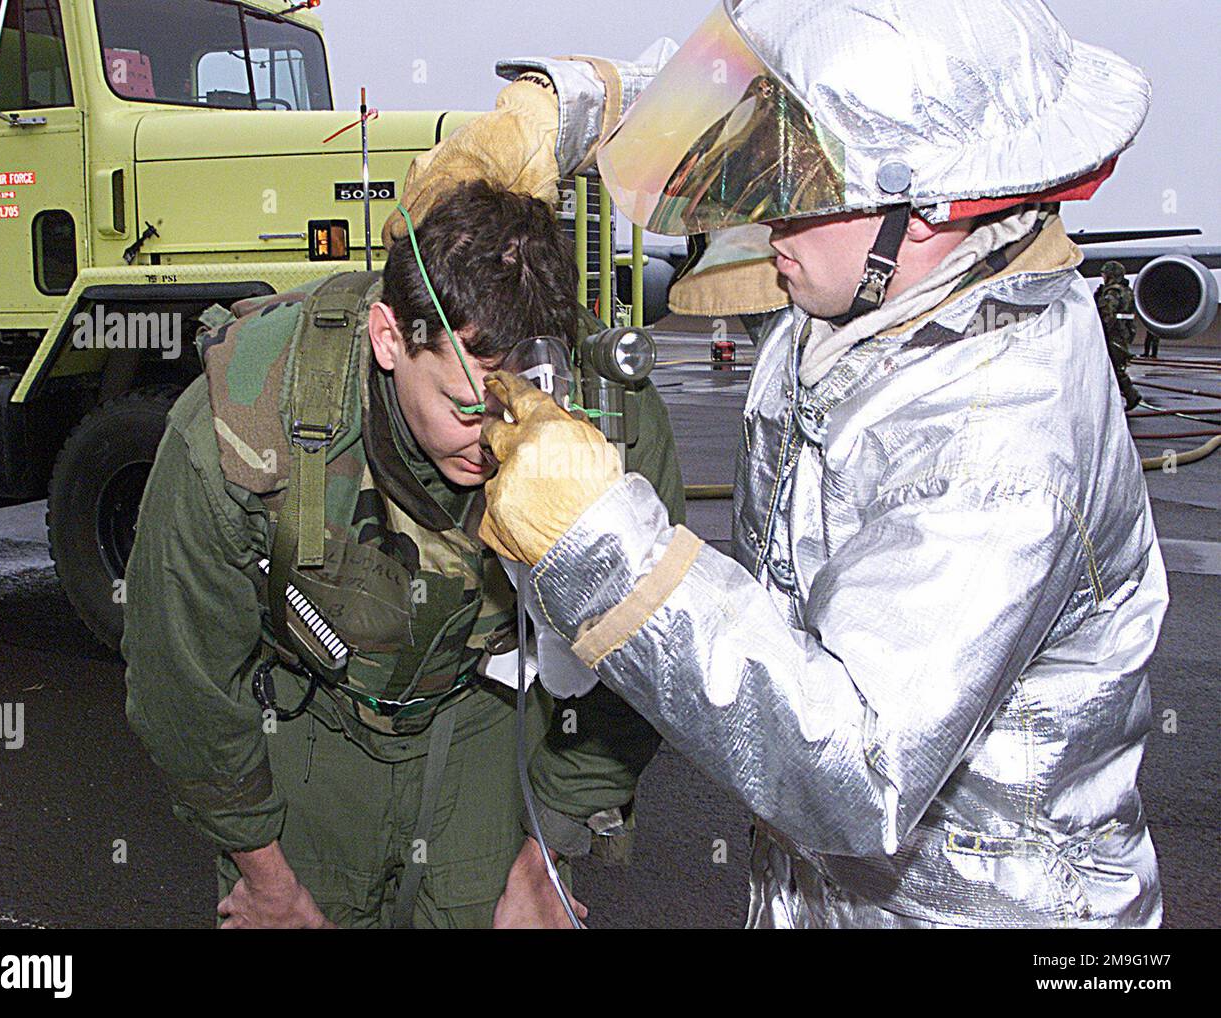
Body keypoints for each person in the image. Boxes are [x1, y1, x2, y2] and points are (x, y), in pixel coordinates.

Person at [409, 0, 1165, 927]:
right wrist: (560, 111)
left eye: (794, 187)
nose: (759, 207)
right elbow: (753, 108)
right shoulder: (872, 278)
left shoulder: (999, 448)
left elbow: (860, 770)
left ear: (926, 208)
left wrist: (598, 548)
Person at [122, 181, 685, 928]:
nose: (494, 439)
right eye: (464, 406)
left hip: (487, 721)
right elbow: (181, 682)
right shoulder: (242, 429)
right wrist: (262, 876)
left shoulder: (606, 421)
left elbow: (646, 660)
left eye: (518, 406)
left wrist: (550, 841)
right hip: (313, 725)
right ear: (390, 338)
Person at [1094, 260, 1143, 408]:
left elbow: (1107, 314)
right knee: (1114, 366)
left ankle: (1131, 395)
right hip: (1124, 332)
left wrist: (1100, 331)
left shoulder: (1112, 292)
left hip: (1114, 333)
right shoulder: (1126, 290)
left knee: (1114, 368)